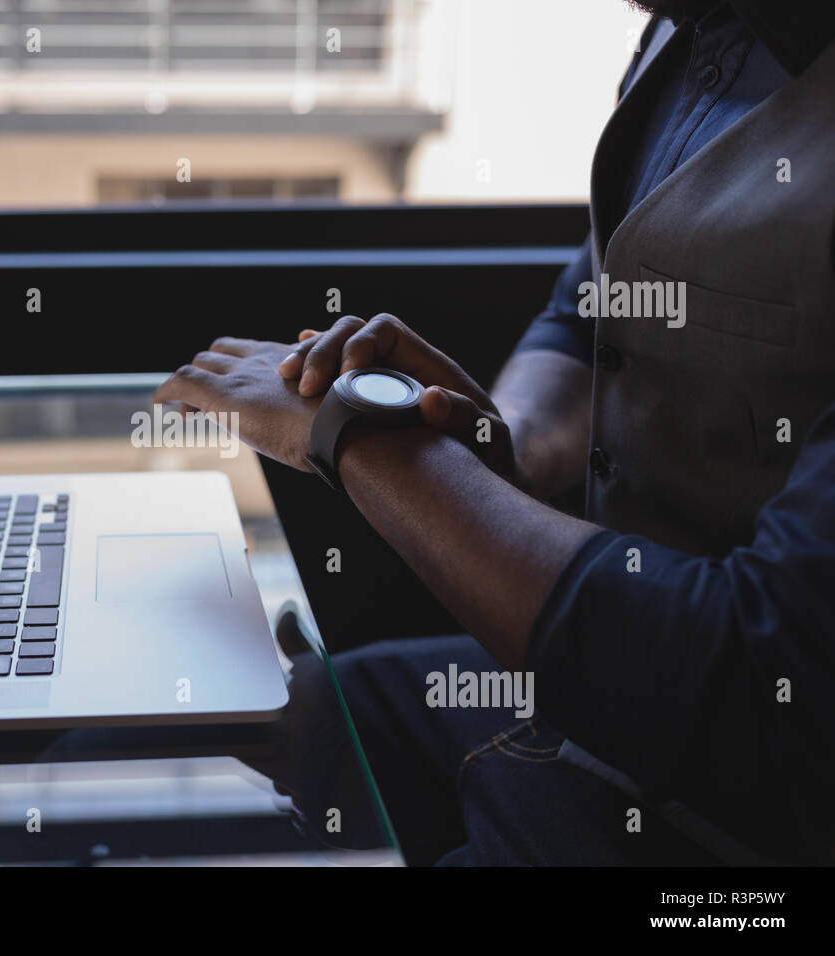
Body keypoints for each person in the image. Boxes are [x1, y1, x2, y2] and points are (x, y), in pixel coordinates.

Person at [153, 0, 835, 864]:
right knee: (256, 722)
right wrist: (494, 438)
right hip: (575, 704)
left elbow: (754, 683)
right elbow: (589, 308)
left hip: (724, 819)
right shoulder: (697, 28)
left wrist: (363, 440)